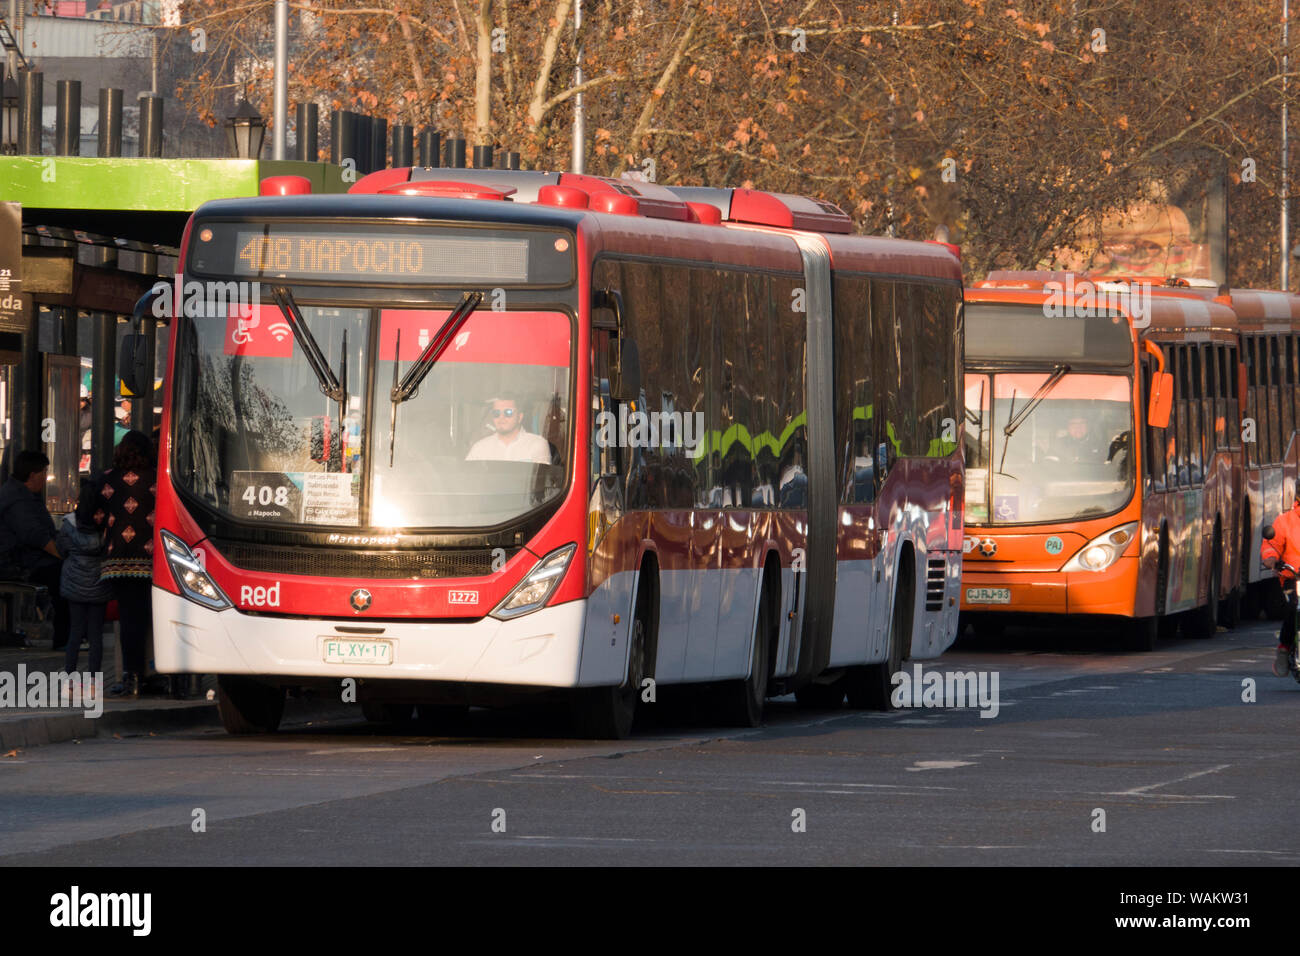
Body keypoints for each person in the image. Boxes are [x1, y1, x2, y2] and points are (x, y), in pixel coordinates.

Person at [94, 431, 157, 698]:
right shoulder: (156, 479)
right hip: (150, 557)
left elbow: (94, 515)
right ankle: (155, 675)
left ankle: (130, 677)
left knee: (128, 619)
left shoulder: (106, 478)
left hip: (116, 557)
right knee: (149, 618)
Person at [0, 450, 69, 650]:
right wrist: (64, 556)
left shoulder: (24, 495)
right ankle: (65, 638)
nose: (45, 478)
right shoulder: (17, 500)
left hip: (27, 559)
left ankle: (69, 636)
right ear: (32, 475)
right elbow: (36, 536)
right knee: (64, 577)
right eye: (44, 473)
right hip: (18, 563)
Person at [57, 477, 112, 695]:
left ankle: (69, 684)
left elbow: (62, 549)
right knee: (96, 635)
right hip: (99, 582)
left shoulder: (69, 523)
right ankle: (93, 686)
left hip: (74, 582)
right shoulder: (106, 524)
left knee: (75, 633)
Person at [1261, 496, 1300, 677]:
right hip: (1293, 577)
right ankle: (1284, 649)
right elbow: (1271, 544)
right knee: (1294, 607)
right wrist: (1271, 560)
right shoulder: (1285, 521)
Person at [465, 397, 551, 463]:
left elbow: (541, 481)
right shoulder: (480, 448)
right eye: (496, 413)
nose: (501, 417)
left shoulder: (537, 444)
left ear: (520, 417)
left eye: (508, 412)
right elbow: (468, 480)